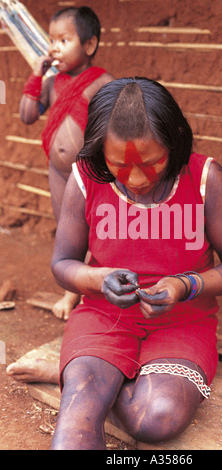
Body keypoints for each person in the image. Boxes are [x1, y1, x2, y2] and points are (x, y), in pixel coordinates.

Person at [47, 77, 222, 450]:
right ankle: (88, 379)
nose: (137, 179)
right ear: (98, 150)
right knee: (76, 423)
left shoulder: (206, 177)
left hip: (183, 322)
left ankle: (90, 379)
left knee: (157, 417)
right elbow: (63, 262)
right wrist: (98, 278)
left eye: (152, 162)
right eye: (119, 165)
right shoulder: (86, 177)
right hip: (104, 316)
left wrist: (184, 285)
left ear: (174, 140)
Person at [18, 6, 114, 320]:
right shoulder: (51, 82)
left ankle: (81, 293)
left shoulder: (103, 83)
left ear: (89, 45)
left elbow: (117, 126)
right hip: (58, 171)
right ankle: (73, 288)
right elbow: (27, 115)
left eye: (64, 39)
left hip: (90, 172)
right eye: (51, 39)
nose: (54, 47)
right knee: (67, 230)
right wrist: (36, 74)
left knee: (94, 230)